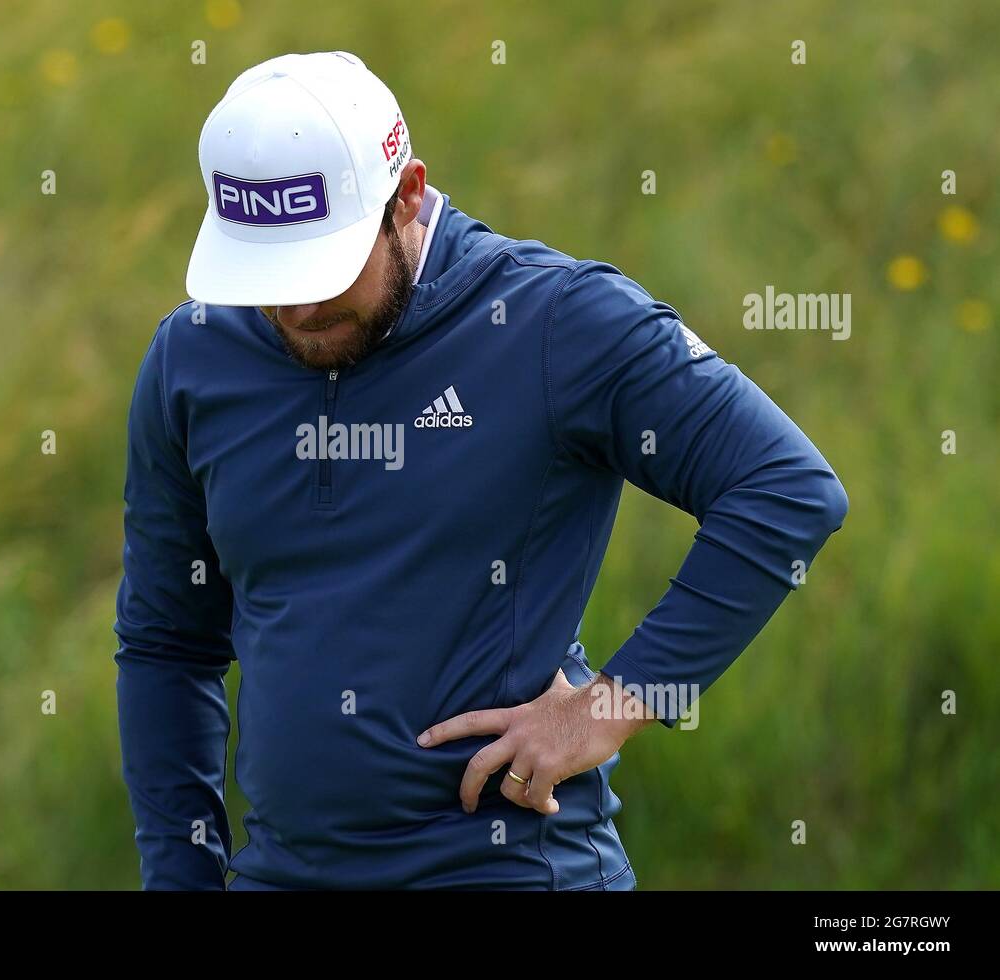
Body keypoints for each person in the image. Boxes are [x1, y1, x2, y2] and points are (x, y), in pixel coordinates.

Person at [114, 51, 848, 890]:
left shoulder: (555, 319)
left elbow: (785, 487)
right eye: (270, 277)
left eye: (325, 268)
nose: (299, 308)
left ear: (409, 194)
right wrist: (180, 874)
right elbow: (167, 644)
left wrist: (615, 704)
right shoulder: (192, 359)